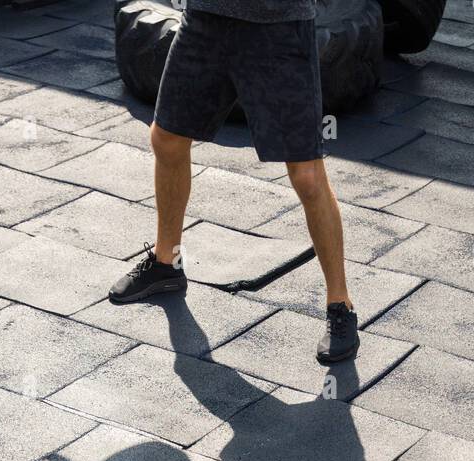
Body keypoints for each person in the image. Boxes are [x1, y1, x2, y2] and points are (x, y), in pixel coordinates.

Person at [108, 0, 359, 364]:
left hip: (280, 29)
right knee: (166, 138)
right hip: (206, 21)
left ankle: (341, 304)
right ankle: (167, 263)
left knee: (306, 175)